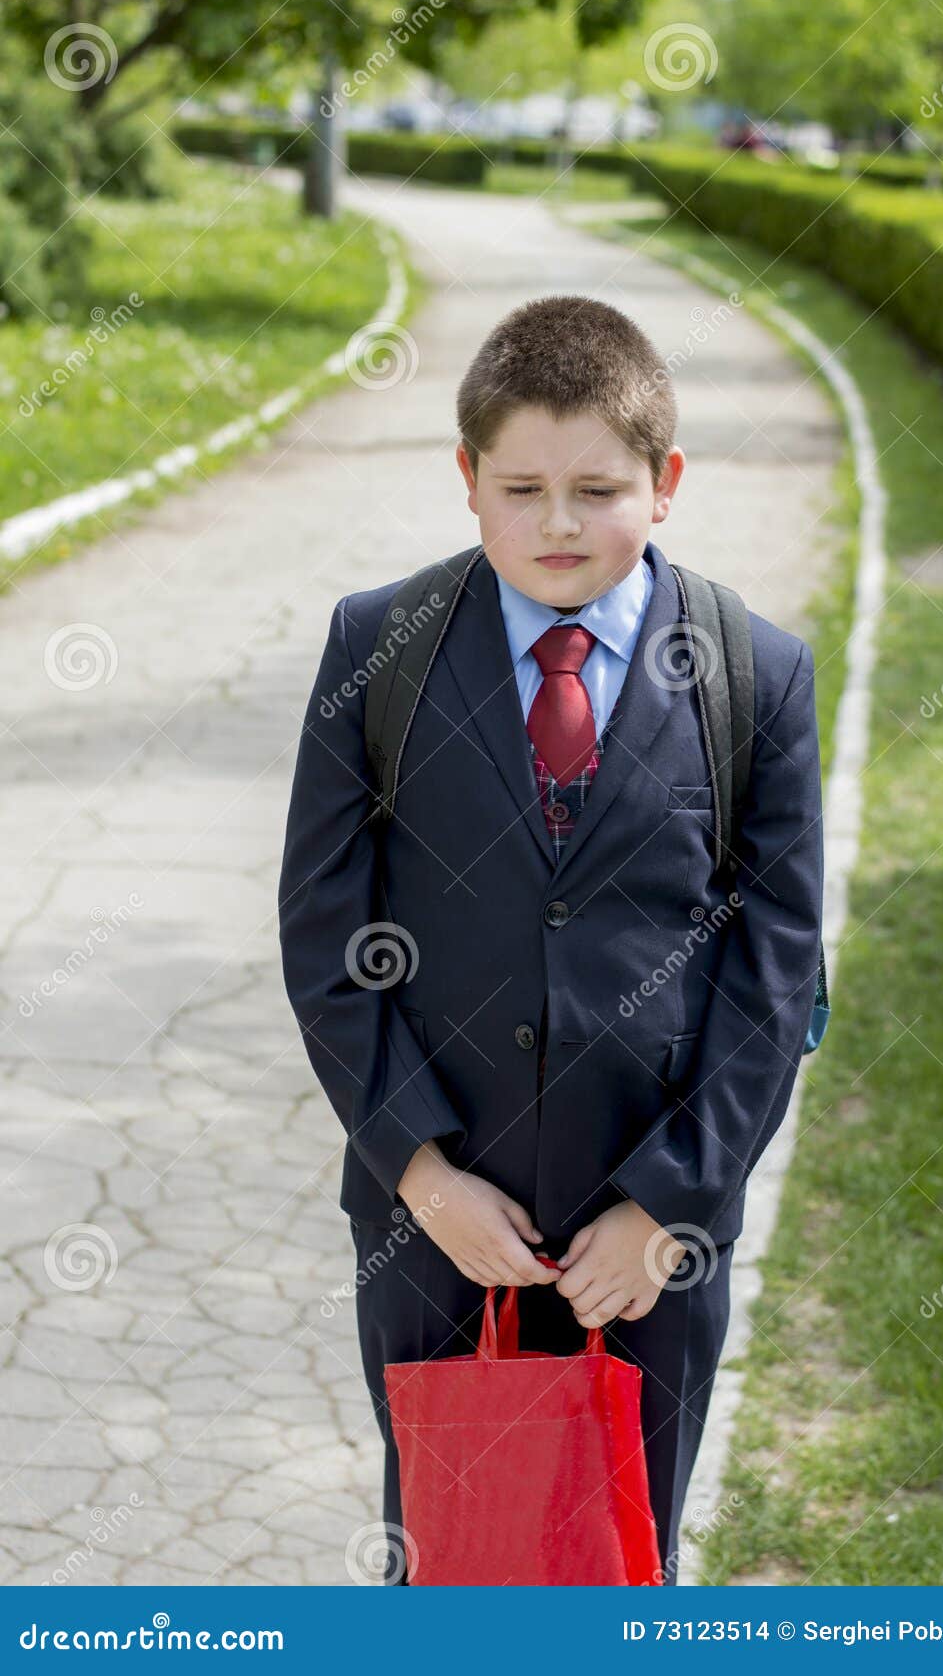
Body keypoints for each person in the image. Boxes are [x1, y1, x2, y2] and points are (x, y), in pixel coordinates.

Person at [277, 293, 824, 1585]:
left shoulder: (756, 673)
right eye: (522, 487)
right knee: (455, 1546)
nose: (561, 524)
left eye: (598, 487)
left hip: (654, 1240)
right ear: (467, 480)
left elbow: (776, 971)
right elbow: (324, 931)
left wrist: (670, 1202)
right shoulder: (382, 649)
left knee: (624, 1550)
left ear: (666, 481)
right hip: (435, 1225)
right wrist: (418, 1170)